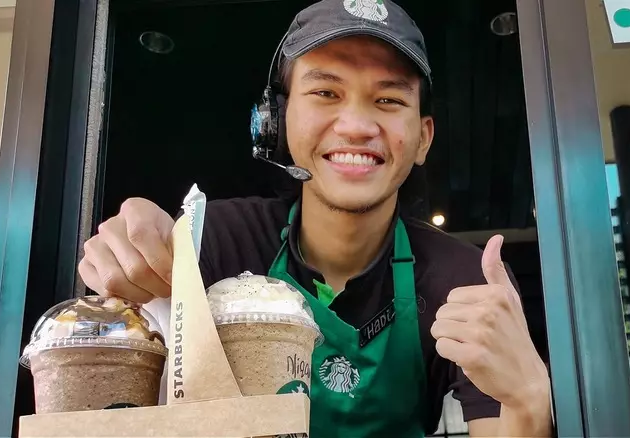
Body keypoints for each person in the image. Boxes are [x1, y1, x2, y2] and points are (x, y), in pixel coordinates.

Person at [78, 0, 553, 436]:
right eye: (326, 92)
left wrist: (529, 402)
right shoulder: (212, 245)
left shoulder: (464, 280)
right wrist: (133, 263)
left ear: (424, 138)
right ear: (275, 121)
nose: (356, 126)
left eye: (388, 100)